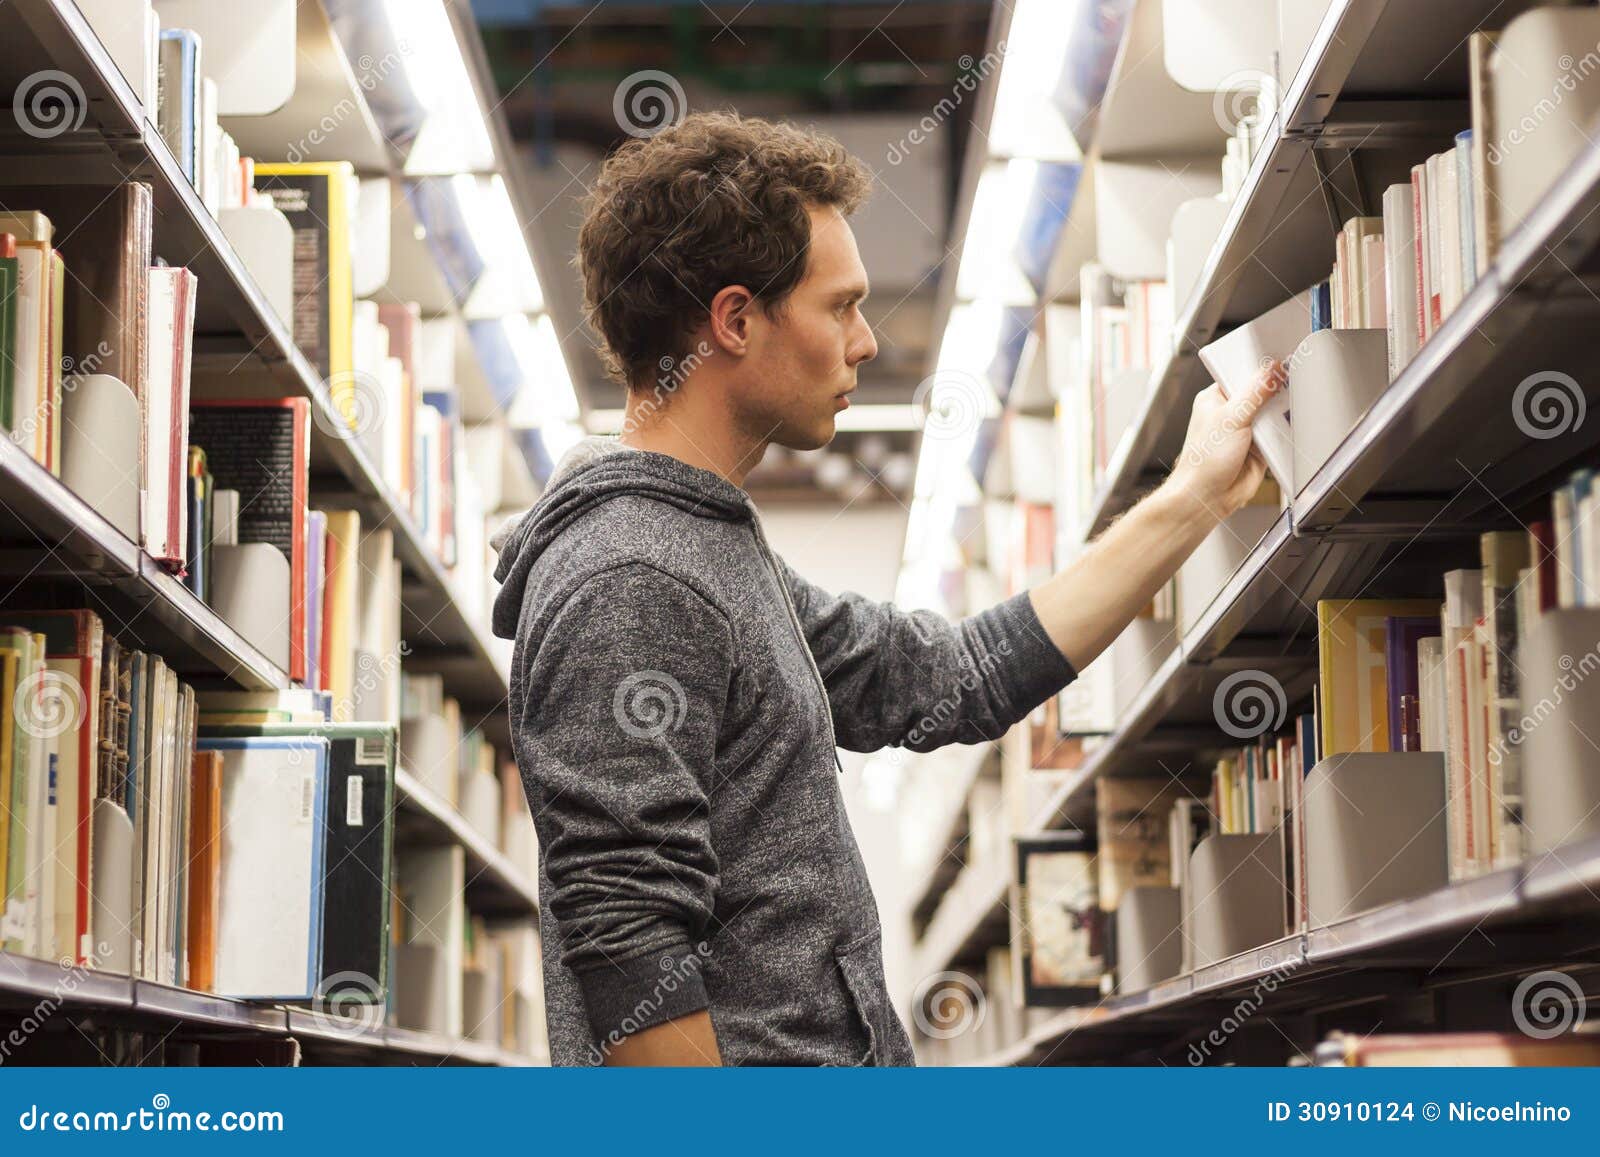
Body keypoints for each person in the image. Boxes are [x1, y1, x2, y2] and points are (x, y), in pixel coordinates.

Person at [490, 112, 1279, 1066]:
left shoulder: (711, 552)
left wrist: (1194, 496)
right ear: (734, 321)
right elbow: (627, 933)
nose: (867, 342)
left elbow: (953, 675)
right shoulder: (634, 576)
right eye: (841, 307)